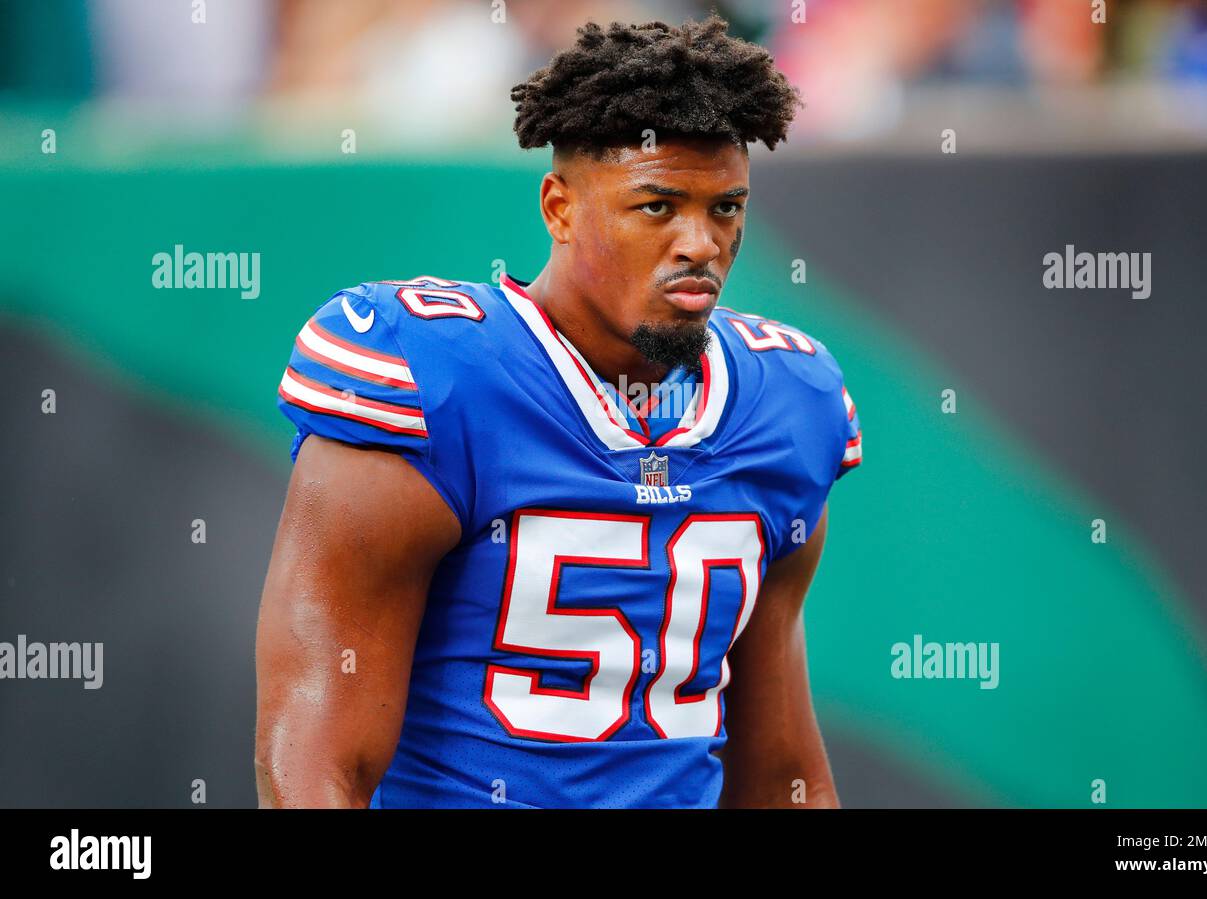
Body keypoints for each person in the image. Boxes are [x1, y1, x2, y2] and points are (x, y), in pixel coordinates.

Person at [256, 15, 860, 809]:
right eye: (658, 206)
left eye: (724, 208)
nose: (700, 243)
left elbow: (782, 773)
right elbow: (309, 763)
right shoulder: (432, 379)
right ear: (560, 207)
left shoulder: (787, 404)